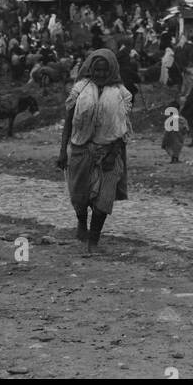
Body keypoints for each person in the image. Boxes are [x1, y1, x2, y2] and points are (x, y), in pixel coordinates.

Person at [56, 49, 132, 252]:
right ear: (90, 69)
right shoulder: (80, 89)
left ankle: (94, 241)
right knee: (79, 196)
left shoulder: (121, 94)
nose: (99, 74)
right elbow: (69, 122)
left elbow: (123, 128)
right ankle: (81, 222)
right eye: (96, 70)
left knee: (103, 200)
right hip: (81, 151)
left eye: (104, 70)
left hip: (109, 153)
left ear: (112, 70)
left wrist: (113, 153)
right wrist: (63, 151)